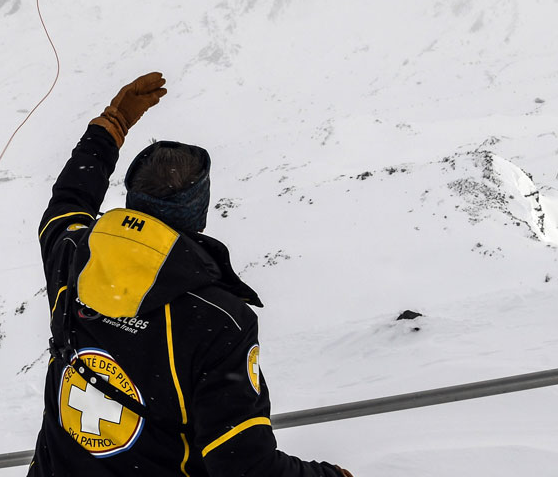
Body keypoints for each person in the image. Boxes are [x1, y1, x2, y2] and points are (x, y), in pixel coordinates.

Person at [29, 73, 353, 476]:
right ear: (197, 214)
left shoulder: (74, 257)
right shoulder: (219, 321)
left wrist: (111, 126)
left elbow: (69, 200)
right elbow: (244, 467)